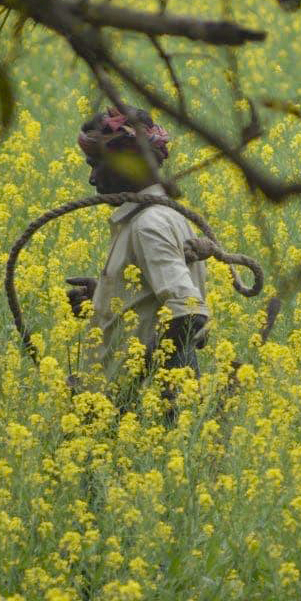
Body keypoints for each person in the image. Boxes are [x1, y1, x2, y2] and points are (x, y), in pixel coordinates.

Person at [66, 105, 209, 400]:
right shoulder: (164, 214)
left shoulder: (149, 224)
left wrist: (129, 384)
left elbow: (188, 312)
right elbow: (160, 297)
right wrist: (107, 300)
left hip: (146, 403)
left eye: (96, 164)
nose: (92, 178)